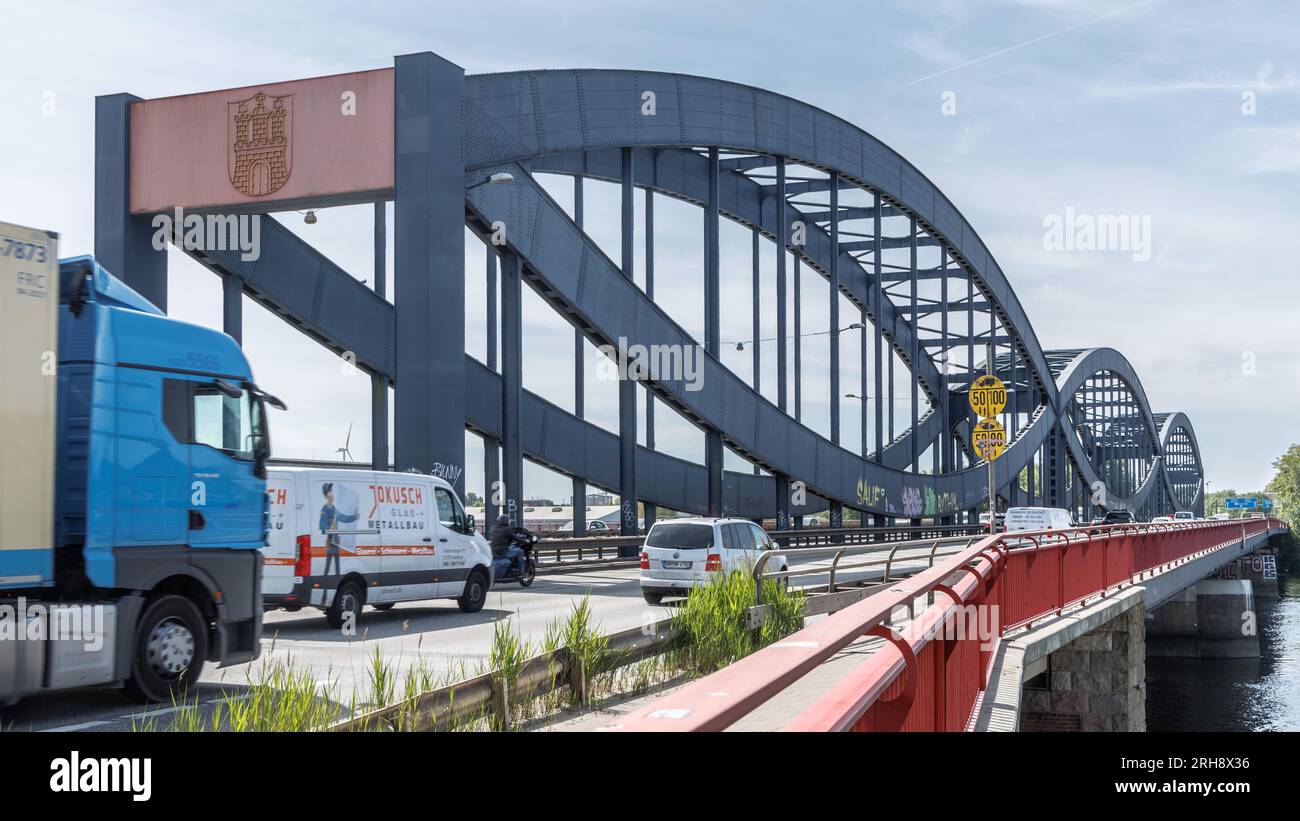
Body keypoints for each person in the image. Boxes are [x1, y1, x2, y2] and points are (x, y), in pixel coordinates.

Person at [320, 482, 358, 577]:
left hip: (336, 542)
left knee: (337, 569)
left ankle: (335, 588)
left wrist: (354, 517)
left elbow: (343, 518)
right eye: (330, 492)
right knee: (327, 568)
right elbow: (322, 526)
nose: (332, 494)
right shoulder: (324, 510)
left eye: (332, 492)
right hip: (330, 543)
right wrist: (329, 528)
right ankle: (324, 592)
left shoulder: (334, 509)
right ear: (326, 495)